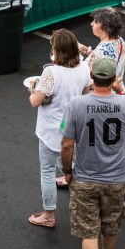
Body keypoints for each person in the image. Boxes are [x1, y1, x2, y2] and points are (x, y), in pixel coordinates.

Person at [60, 55, 125, 249]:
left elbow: (66, 142)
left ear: (92, 77)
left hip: (84, 177)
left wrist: (67, 171)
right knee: (111, 224)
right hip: (116, 178)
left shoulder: (76, 105)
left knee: (88, 231)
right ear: (113, 78)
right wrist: (120, 90)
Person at [28, 29, 92, 229]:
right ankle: (85, 204)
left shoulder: (51, 72)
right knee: (72, 163)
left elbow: (35, 101)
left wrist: (33, 88)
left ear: (57, 50)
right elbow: (85, 93)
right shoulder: (83, 67)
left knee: (47, 170)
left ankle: (48, 214)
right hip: (72, 126)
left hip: (52, 130)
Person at [80, 8, 125, 88]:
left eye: (96, 22)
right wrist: (88, 51)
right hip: (118, 89)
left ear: (105, 28)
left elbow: (96, 82)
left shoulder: (102, 50)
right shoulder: (119, 40)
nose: (91, 24)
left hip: (102, 95)